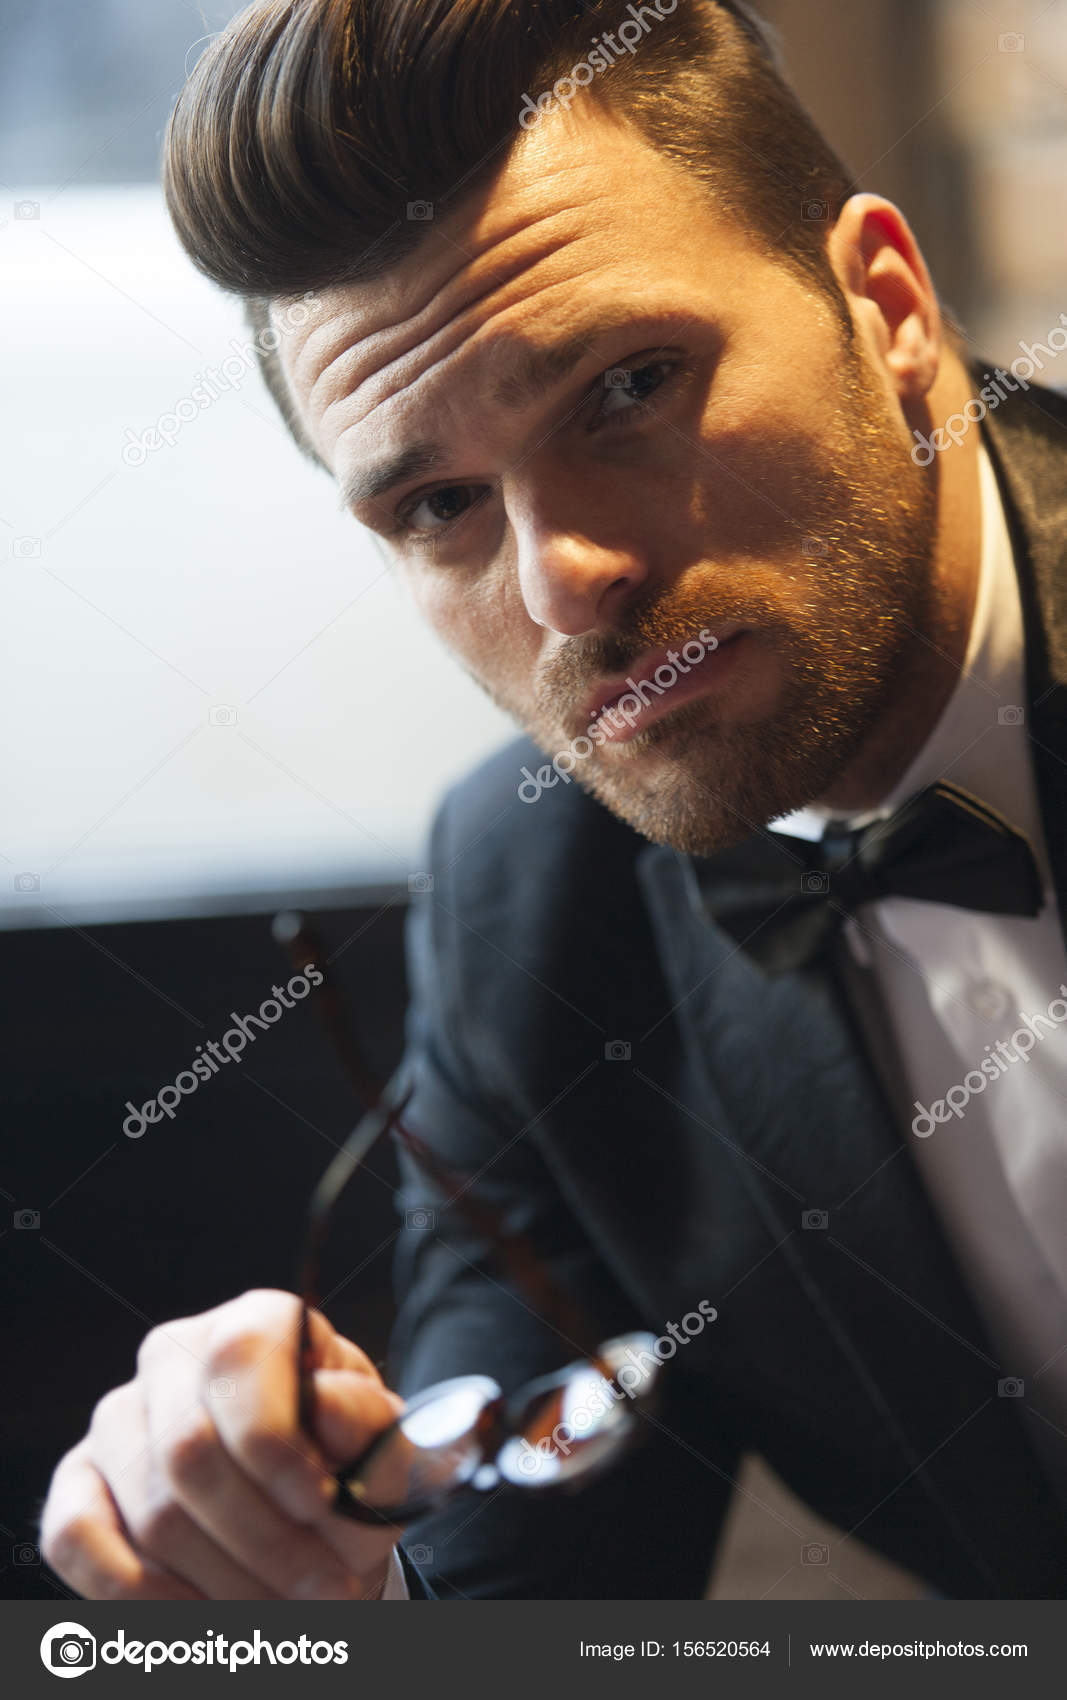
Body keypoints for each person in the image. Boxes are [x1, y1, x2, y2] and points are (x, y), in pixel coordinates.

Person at [41, 0, 1067, 1600]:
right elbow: (511, 1570)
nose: (563, 581)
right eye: (439, 503)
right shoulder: (529, 905)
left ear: (885, 303)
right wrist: (311, 1557)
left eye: (628, 387)